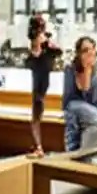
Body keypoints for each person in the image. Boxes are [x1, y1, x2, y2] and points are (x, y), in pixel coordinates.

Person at [26, 14, 60, 158]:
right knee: (37, 112)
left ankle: (38, 146)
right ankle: (38, 145)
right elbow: (38, 54)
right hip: (41, 77)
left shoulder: (40, 40)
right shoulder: (42, 41)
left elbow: (37, 55)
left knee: (36, 114)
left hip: (40, 78)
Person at [62, 36, 97, 151]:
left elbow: (94, 98)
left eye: (92, 49)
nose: (89, 53)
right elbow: (82, 92)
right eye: (85, 50)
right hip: (73, 105)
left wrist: (90, 70)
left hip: (92, 108)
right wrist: (86, 69)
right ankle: (80, 153)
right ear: (79, 53)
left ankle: (84, 153)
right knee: (96, 118)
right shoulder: (71, 69)